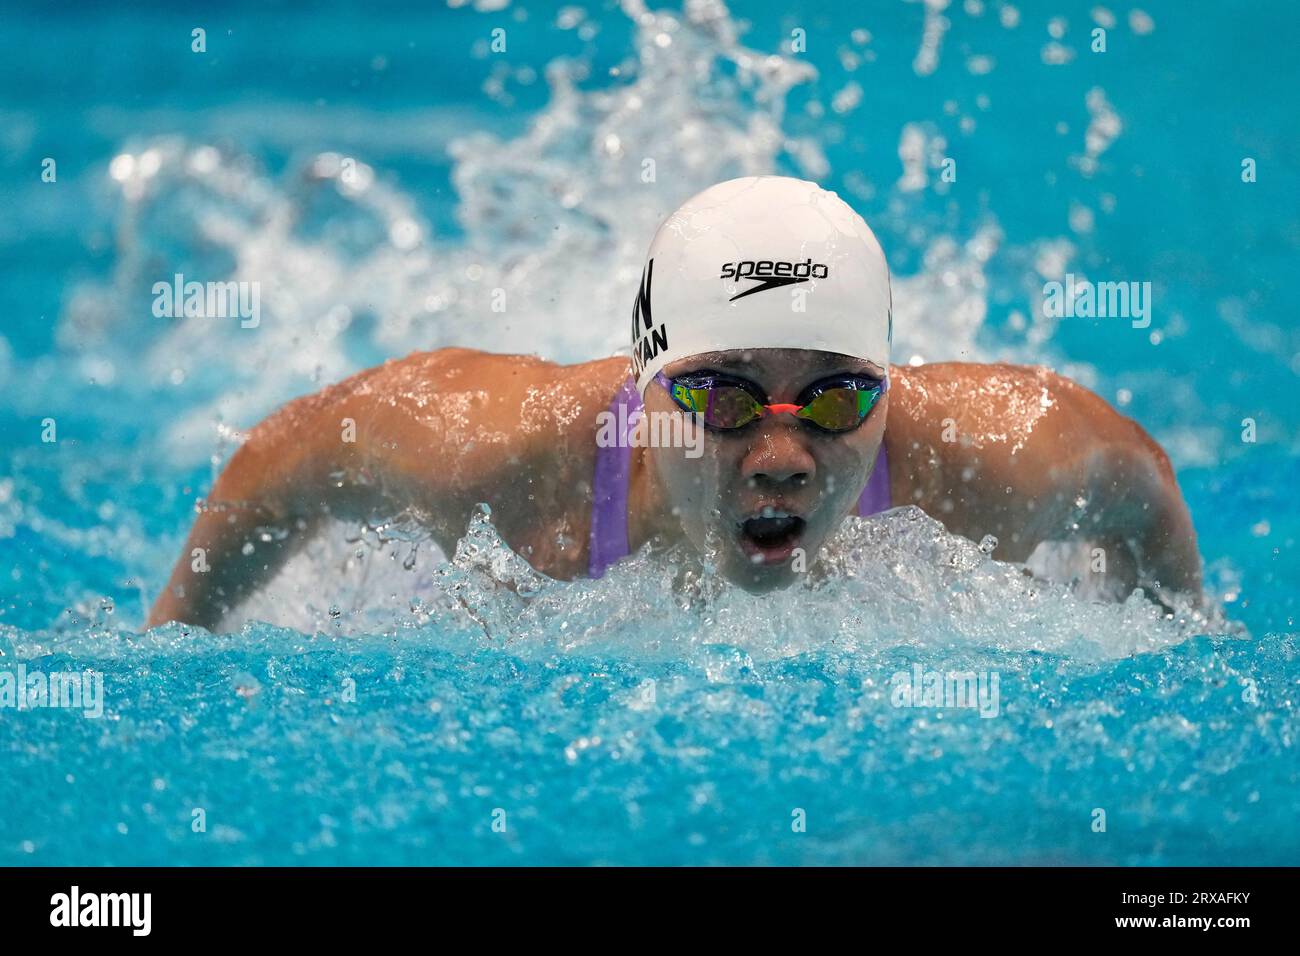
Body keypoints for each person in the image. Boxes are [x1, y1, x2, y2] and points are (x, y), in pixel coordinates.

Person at [148, 176, 1201, 630]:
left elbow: (1142, 481)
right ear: (647, 386)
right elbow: (288, 453)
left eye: (835, 399)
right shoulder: (496, 456)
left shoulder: (995, 461)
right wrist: (179, 637)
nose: (783, 452)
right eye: (722, 395)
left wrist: (1174, 628)